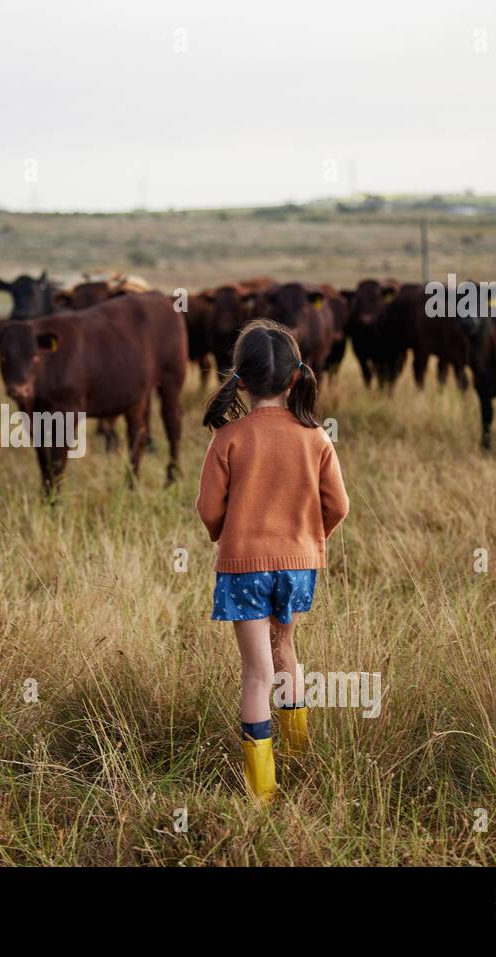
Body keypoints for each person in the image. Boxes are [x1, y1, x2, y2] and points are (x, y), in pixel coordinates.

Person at [196, 320, 350, 803]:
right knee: (286, 652)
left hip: (244, 566)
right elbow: (339, 506)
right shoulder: (316, 436)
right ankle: (299, 755)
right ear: (293, 379)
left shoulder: (228, 438)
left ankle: (262, 793)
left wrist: (230, 535)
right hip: (300, 565)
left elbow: (208, 509)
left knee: (256, 672)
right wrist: (309, 539)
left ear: (239, 380)